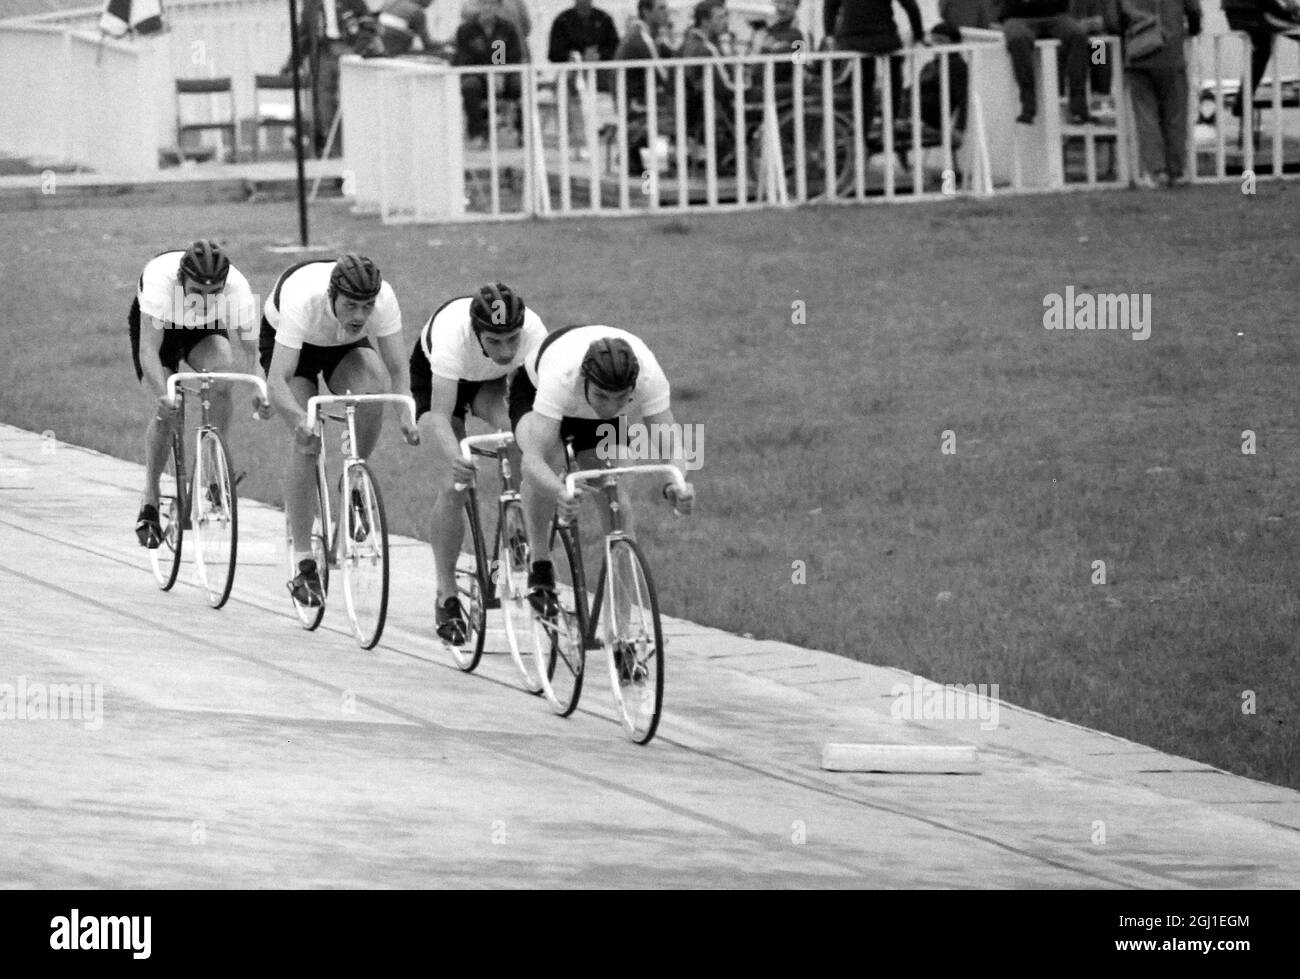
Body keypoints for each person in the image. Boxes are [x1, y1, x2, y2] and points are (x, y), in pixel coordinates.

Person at [509, 326, 695, 679]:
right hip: (537, 394)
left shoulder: (648, 377)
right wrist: (559, 491)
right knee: (548, 467)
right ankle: (540, 565)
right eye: (603, 396)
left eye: (620, 399)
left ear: (632, 389)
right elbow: (530, 461)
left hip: (590, 416)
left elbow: (671, 444)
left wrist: (677, 485)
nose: (611, 408)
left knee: (617, 501)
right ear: (585, 380)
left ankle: (622, 636)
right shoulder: (562, 377)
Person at [260, 255, 419, 606]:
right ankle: (303, 561)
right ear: (332, 295)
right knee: (308, 442)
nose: (360, 316)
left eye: (366, 306)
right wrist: (299, 420)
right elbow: (277, 381)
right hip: (292, 348)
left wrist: (405, 412)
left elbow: (398, 371)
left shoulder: (384, 300)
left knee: (373, 390)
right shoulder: (304, 301)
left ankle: (353, 477)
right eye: (350, 305)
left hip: (342, 347)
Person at [409, 284, 548, 644]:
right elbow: (440, 417)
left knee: (521, 433)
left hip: (490, 384)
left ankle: (517, 517)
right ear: (476, 332)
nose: (505, 350)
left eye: (511, 340)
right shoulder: (453, 338)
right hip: (440, 383)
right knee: (453, 484)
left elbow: (543, 412)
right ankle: (446, 593)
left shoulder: (533, 332)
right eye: (495, 341)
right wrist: (456, 457)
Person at [132, 241, 263, 548]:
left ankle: (212, 469)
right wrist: (162, 395)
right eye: (197, 292)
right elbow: (148, 350)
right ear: (181, 281)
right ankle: (150, 497)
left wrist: (261, 387)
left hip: (202, 331)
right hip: (161, 329)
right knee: (169, 408)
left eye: (213, 293)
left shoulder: (237, 289)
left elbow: (255, 352)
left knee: (221, 376)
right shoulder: (159, 283)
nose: (205, 300)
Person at [1104, 0, 1201, 186]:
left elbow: (1112, 23)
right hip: (1171, 50)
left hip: (1138, 52)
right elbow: (1194, 11)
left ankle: (1157, 171)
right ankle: (1176, 170)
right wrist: (1192, 30)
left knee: (1146, 117)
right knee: (1175, 115)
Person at [282, 0, 385, 155]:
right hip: (325, 52)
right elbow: (304, 34)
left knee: (353, 99)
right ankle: (336, 151)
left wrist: (358, 49)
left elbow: (368, 24)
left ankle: (360, 147)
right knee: (325, 102)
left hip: (349, 50)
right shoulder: (311, 3)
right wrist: (292, 63)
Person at [824, 0, 927, 139]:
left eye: (788, 3)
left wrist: (828, 34)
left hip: (849, 45)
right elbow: (911, 6)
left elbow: (829, 7)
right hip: (882, 37)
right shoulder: (797, 36)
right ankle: (888, 123)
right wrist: (919, 35)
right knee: (885, 79)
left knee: (865, 84)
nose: (783, 7)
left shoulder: (796, 35)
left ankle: (866, 132)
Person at [998, 0, 1092, 124]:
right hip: (1019, 16)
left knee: (1085, 39)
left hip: (1097, 42)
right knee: (1018, 38)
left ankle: (1087, 98)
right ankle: (1028, 103)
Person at [454, 0, 525, 143]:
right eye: (484, 3)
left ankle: (524, 131)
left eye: (492, 4)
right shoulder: (466, 30)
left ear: (498, 7)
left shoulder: (507, 28)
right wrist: (487, 75)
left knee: (520, 84)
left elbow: (514, 56)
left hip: (504, 77)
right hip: (478, 77)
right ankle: (476, 133)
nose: (488, 7)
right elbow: (463, 61)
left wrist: (501, 74)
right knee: (470, 85)